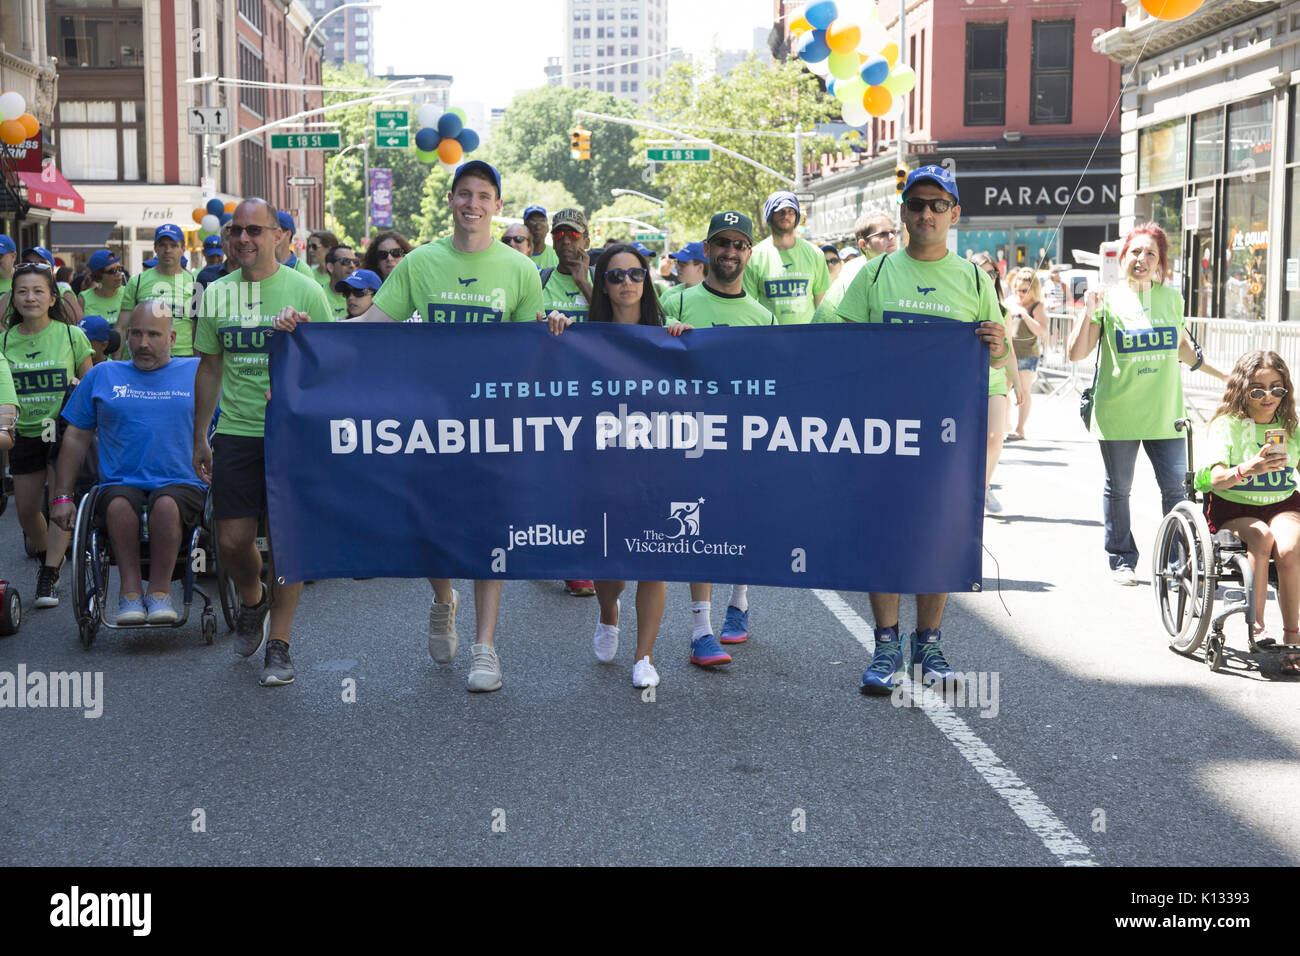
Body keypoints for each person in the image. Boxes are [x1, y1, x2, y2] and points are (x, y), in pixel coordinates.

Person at [277, 160, 543, 693]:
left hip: (489, 425)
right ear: (451, 200)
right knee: (434, 526)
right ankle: (444, 599)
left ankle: (485, 647)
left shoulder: (519, 271)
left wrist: (553, 333)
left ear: (496, 204)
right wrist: (310, 336)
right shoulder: (421, 263)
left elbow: (530, 355)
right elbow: (371, 330)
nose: (472, 203)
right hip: (429, 423)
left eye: (483, 195)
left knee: (487, 530)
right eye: (464, 194)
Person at [835, 165, 1008, 694]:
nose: (926, 213)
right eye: (916, 204)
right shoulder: (874, 274)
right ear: (904, 212)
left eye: (938, 204)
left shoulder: (976, 279)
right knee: (885, 538)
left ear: (954, 214)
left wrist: (998, 347)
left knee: (936, 541)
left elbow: (994, 363)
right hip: (882, 432)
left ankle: (927, 644)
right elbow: (838, 346)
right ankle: (886, 644)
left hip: (947, 439)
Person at [193, 198, 334, 686]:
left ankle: (281, 643)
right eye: (237, 231)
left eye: (256, 230)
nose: (244, 239)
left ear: (279, 236)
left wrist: (303, 343)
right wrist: (199, 435)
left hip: (292, 433)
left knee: (286, 542)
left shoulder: (307, 291)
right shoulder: (214, 294)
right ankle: (252, 600)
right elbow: (209, 366)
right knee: (232, 542)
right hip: (235, 432)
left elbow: (332, 367)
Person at [1067, 222, 1227, 584]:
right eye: (1135, 251)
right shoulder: (1107, 298)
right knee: (1119, 489)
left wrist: (1229, 378)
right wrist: (1087, 309)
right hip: (1118, 414)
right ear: (1123, 256)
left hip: (1165, 414)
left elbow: (1185, 350)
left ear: (1160, 264)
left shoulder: (1171, 299)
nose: (1141, 259)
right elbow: (1076, 353)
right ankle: (1122, 559)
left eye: (1150, 253)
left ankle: (1177, 562)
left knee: (1176, 490)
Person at [543, 242, 667, 688]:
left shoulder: (667, 332)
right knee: (612, 568)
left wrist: (692, 344)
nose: (626, 283)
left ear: (646, 280)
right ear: (602, 284)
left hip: (657, 460)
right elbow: (551, 371)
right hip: (602, 463)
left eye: (635, 274)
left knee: (656, 560)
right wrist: (557, 327)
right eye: (615, 276)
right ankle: (608, 610)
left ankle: (644, 656)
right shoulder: (584, 333)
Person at [51, 301, 206, 625]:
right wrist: (63, 497)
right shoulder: (103, 374)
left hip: (183, 481)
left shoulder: (196, 372)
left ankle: (160, 593)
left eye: (152, 334)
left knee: (166, 505)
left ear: (172, 337)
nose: (142, 343)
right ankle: (130, 593)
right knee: (120, 506)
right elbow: (76, 438)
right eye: (135, 334)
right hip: (120, 482)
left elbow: (231, 420)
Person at [663, 211, 772, 667]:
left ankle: (739, 603)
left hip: (743, 435)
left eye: (739, 244)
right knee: (699, 527)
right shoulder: (678, 303)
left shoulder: (764, 317)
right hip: (692, 435)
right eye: (721, 243)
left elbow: (773, 379)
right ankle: (700, 629)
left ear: (749, 253)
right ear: (706, 249)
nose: (730, 251)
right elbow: (644, 357)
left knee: (741, 520)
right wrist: (667, 337)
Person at [1198, 351, 1300, 669]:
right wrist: (1248, 468)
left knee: (1290, 547)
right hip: (1234, 505)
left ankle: (1292, 637)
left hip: (1282, 502)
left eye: (1277, 388)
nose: (1268, 396)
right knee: (1261, 536)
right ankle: (1257, 627)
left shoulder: (1290, 426)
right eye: (1258, 389)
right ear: (1243, 389)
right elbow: (1210, 480)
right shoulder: (1226, 426)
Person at [2, 261, 95, 609]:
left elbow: (91, 386)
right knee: (26, 510)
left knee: (60, 501)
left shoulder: (72, 336)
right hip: (23, 433)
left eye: (38, 290)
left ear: (53, 297)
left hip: (64, 431)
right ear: (13, 299)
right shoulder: (5, 341)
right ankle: (48, 554)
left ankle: (50, 573)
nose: (30, 297)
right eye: (22, 291)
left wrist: (79, 389)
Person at [968, 252, 1019, 515]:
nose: (987, 277)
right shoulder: (960, 302)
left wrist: (1019, 384)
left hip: (995, 380)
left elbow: (1008, 348)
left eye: (992, 272)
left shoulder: (1003, 310)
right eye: (981, 271)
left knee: (994, 437)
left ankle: (983, 488)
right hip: (963, 379)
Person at [742, 191, 830, 325]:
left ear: (797, 216)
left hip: (806, 339)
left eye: (791, 211)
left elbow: (822, 305)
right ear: (770, 215)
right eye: (780, 211)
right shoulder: (753, 257)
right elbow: (749, 307)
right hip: (769, 339)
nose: (786, 216)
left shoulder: (815, 254)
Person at [119, 224, 197, 357]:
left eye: (173, 245)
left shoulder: (195, 282)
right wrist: (117, 360)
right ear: (155, 248)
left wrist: (197, 361)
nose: (167, 250)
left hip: (182, 356)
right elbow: (121, 327)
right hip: (145, 356)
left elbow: (199, 328)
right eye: (162, 245)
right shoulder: (137, 282)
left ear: (183, 248)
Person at [812, 211, 899, 324]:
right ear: (863, 244)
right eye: (882, 234)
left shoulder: (897, 267)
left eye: (893, 232)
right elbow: (856, 330)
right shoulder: (854, 273)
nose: (891, 237)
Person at [1004, 267, 1049, 443]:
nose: (1020, 293)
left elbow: (1042, 331)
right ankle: (1004, 425)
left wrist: (1024, 314)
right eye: (1018, 289)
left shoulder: (1037, 306)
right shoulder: (1009, 302)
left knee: (1022, 391)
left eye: (1024, 290)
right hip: (1008, 354)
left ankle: (1020, 428)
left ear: (1033, 289)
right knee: (1002, 391)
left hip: (1027, 354)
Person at [13, 247, 82, 321]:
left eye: (41, 264)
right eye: (27, 263)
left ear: (51, 270)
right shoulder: (16, 291)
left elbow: (80, 322)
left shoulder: (63, 292)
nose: (32, 267)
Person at [79, 250, 127, 330]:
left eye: (120, 268)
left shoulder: (128, 293)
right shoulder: (83, 299)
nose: (119, 273)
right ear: (99, 276)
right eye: (112, 271)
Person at [658, 242, 706, 312]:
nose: (677, 267)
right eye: (677, 262)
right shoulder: (669, 296)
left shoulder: (716, 295)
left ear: (700, 267)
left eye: (683, 264)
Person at [196, 226, 237, 291]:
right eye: (211, 256)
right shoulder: (202, 275)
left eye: (218, 256)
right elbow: (197, 301)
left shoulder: (241, 274)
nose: (215, 260)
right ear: (204, 253)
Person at [322, 244, 358, 320]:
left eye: (355, 262)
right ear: (330, 267)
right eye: (345, 261)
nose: (352, 265)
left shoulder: (364, 294)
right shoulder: (319, 295)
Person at [522, 205, 558, 270]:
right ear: (525, 227)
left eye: (542, 222)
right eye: (533, 222)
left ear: (547, 228)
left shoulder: (557, 256)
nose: (538, 227)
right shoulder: (518, 254)